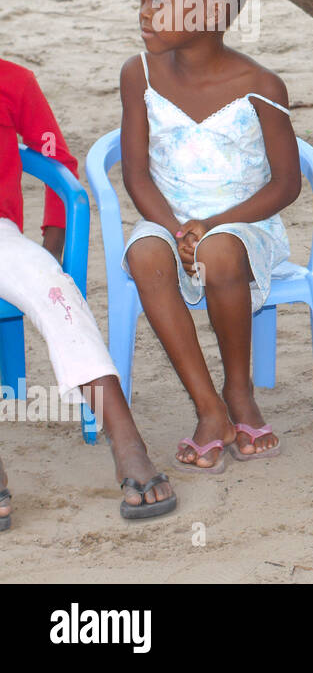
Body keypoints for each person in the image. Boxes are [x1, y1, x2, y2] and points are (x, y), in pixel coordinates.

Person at [120, 0, 300, 473]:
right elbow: (136, 176)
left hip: (245, 225)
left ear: (207, 12)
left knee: (220, 250)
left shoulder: (261, 85)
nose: (144, 10)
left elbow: (285, 186)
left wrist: (213, 225)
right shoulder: (139, 75)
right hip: (166, 218)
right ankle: (209, 408)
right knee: (144, 255)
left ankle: (239, 390)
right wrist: (177, 230)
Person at [1, 58, 177, 523]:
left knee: (58, 297)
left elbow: (57, 160)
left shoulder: (12, 80)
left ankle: (126, 442)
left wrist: (52, 243)